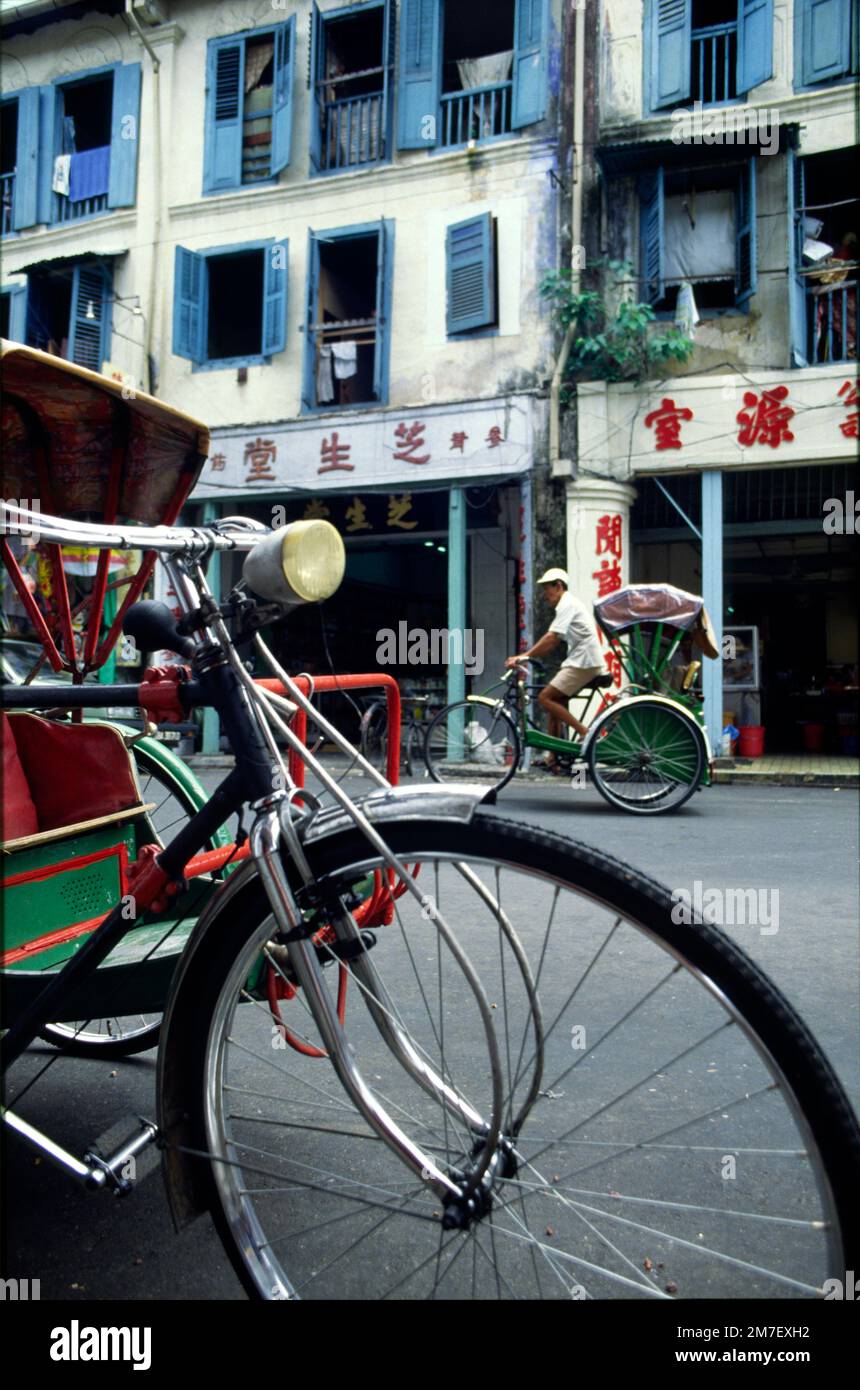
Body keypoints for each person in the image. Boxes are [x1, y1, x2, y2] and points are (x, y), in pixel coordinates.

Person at [505, 567, 604, 770]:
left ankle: (587, 734)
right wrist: (529, 656)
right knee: (554, 703)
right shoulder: (567, 605)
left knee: (544, 697)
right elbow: (553, 641)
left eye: (547, 589)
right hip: (580, 660)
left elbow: (551, 639)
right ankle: (554, 758)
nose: (544, 595)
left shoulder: (567, 604)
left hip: (584, 662)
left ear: (558, 586)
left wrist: (524, 656)